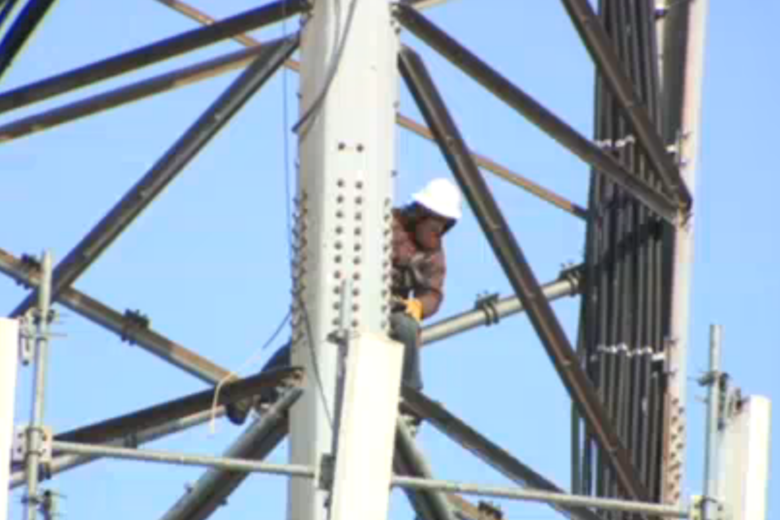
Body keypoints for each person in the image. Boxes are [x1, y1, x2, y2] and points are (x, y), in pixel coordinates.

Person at [226, 178, 462, 427]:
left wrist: (419, 306)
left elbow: (433, 293)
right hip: (349, 293)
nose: (439, 231)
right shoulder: (385, 223)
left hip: (390, 309)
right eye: (436, 223)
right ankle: (257, 390)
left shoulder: (433, 254)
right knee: (313, 337)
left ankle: (409, 398)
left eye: (444, 225)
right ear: (420, 214)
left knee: (407, 327)